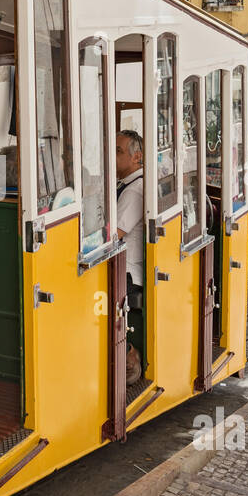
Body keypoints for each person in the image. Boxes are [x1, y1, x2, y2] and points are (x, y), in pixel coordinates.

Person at [115, 131, 145, 387]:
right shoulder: (125, 185)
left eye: (118, 151)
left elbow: (114, 234)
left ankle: (128, 358)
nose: (112, 157)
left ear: (137, 157)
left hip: (128, 275)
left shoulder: (134, 191)